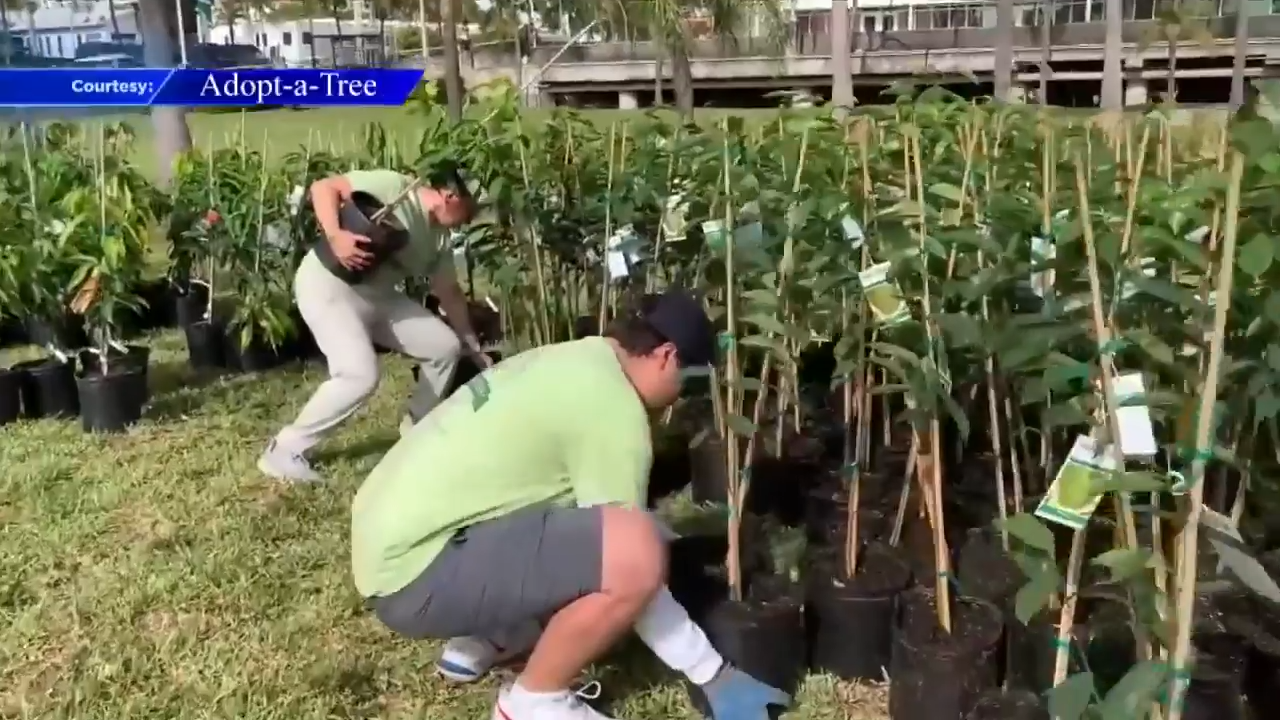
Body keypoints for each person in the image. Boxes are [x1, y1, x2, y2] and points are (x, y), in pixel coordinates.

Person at [350, 289, 791, 720]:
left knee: (594, 532)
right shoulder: (613, 409)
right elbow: (629, 560)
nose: (680, 397)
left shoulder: (578, 359)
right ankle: (532, 702)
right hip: (415, 576)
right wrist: (712, 674)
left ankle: (498, 633)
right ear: (666, 356)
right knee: (634, 551)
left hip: (391, 545)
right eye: (688, 383)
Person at [259, 162, 490, 483]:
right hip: (327, 283)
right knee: (359, 374)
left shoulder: (439, 239)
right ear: (451, 196)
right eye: (471, 210)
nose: (471, 219)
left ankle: (415, 431)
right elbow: (323, 188)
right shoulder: (396, 187)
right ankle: (283, 451)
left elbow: (449, 292)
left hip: (376, 295)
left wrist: (472, 345)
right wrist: (336, 236)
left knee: (443, 346)